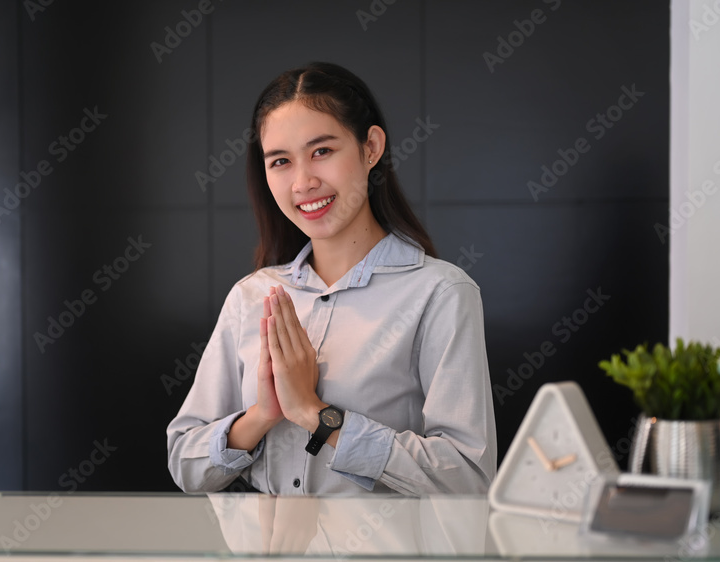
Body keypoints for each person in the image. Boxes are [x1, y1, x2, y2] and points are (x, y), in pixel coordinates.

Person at [167, 62, 496, 495]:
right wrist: (263, 414)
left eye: (322, 151)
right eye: (281, 161)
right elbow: (186, 464)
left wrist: (316, 414)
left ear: (371, 147)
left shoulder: (440, 293)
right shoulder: (252, 296)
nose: (303, 182)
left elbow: (466, 477)